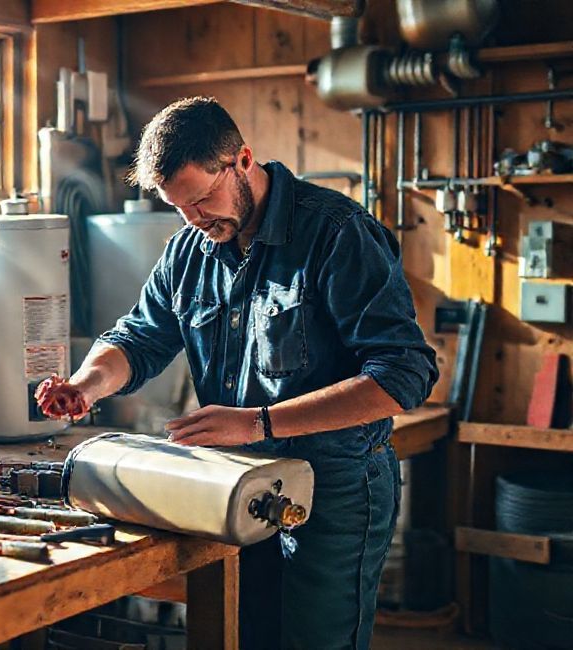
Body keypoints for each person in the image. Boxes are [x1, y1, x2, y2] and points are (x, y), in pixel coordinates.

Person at [36, 96, 439, 649]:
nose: (198, 221)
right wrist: (86, 384)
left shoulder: (337, 233)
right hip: (241, 484)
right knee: (243, 636)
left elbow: (404, 374)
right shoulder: (191, 249)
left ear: (243, 159)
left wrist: (259, 422)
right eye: (182, 209)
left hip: (337, 489)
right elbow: (138, 338)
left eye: (203, 199)